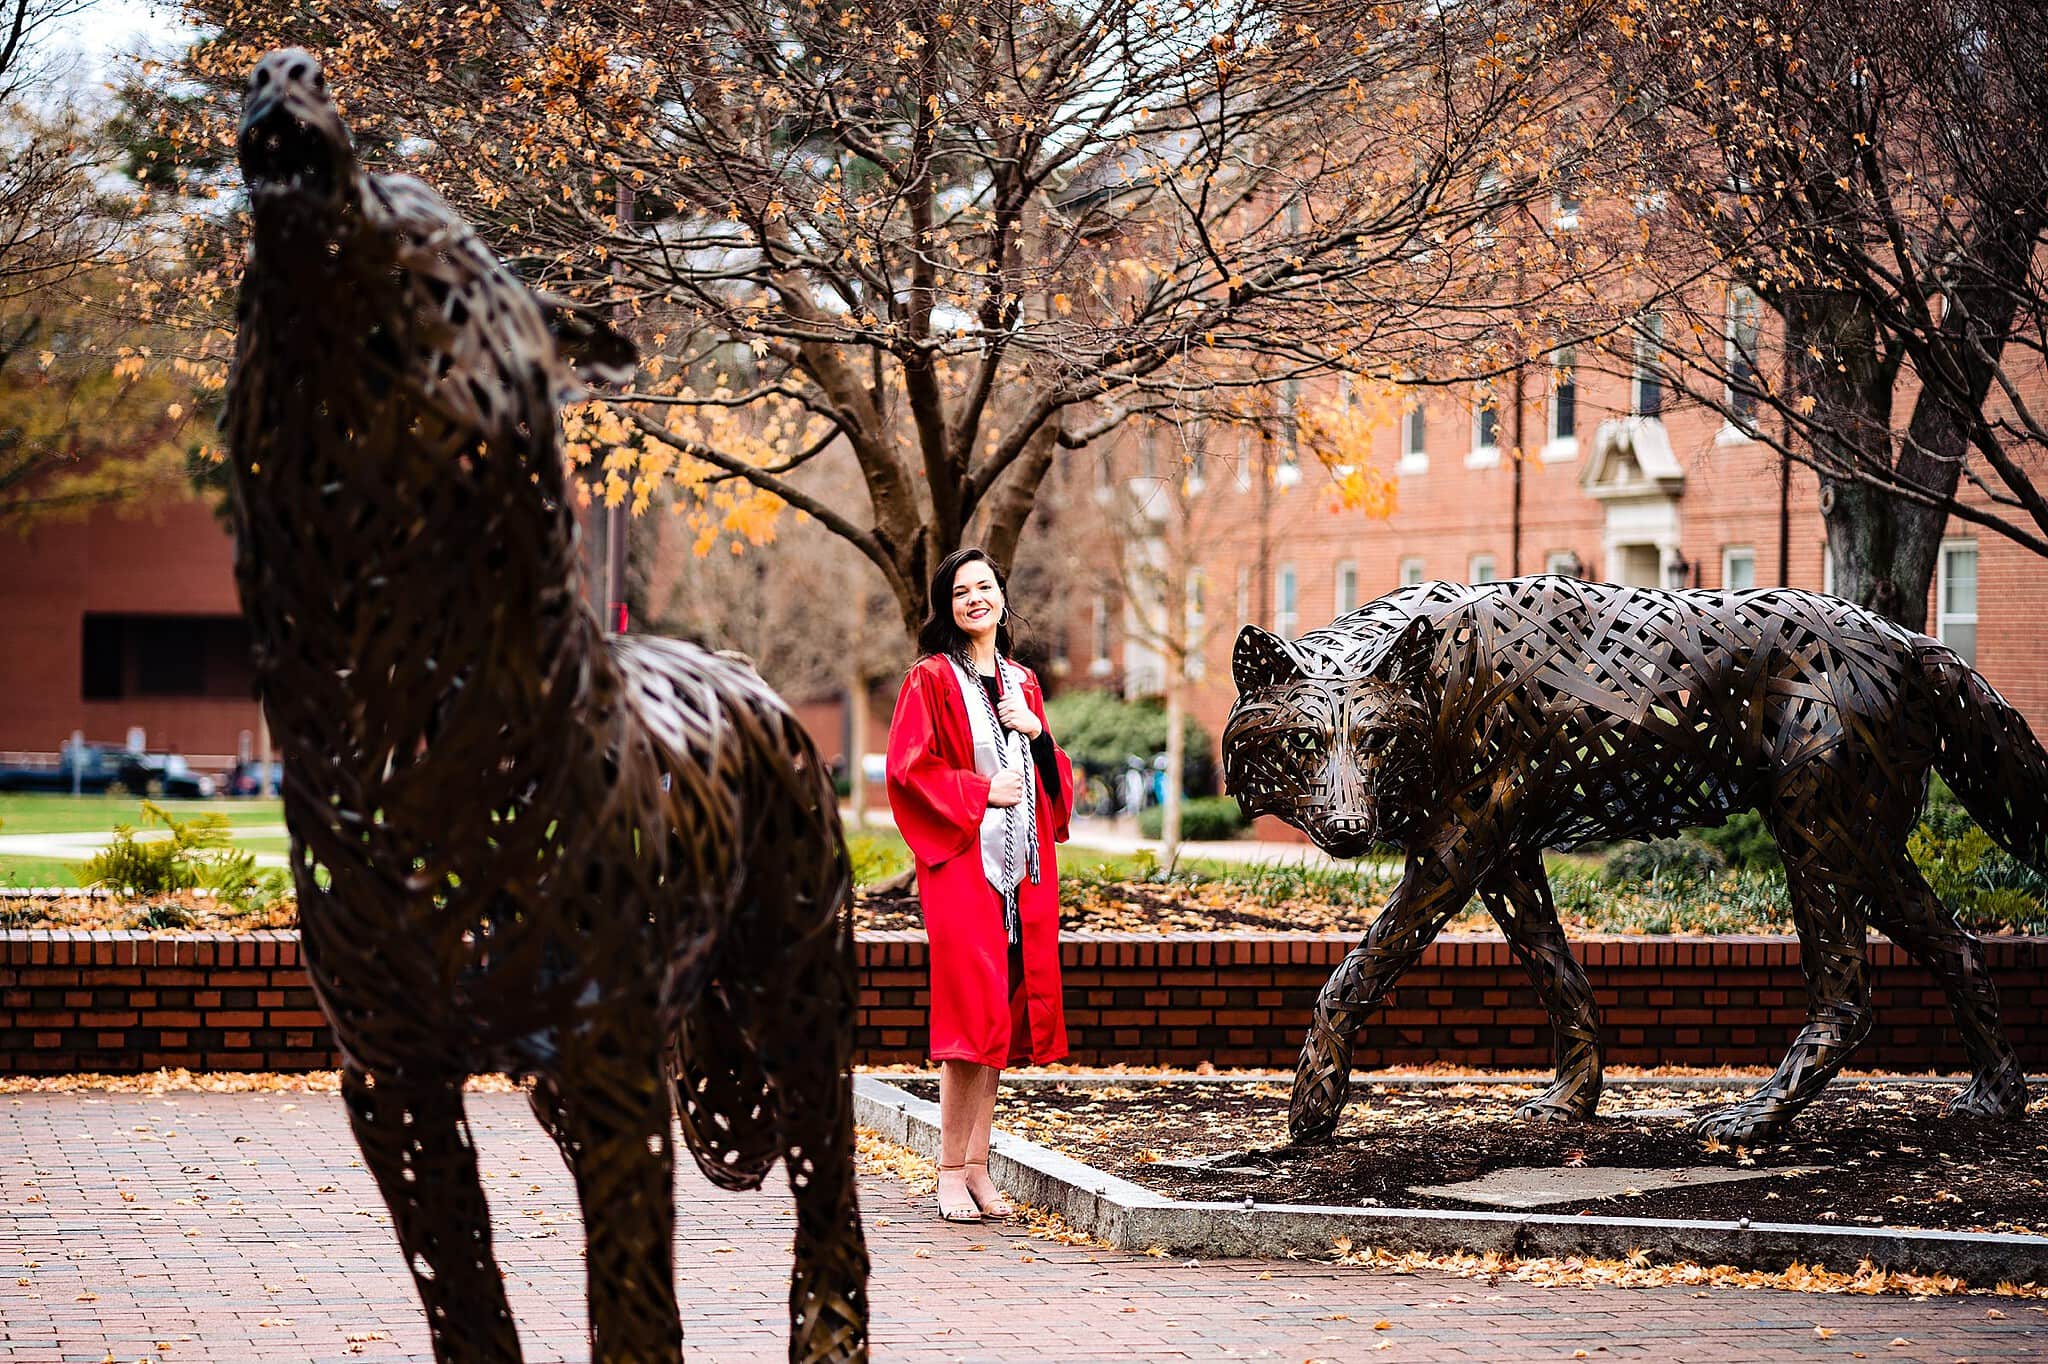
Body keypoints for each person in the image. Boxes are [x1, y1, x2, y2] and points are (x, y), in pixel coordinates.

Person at [886, 548, 1073, 1223]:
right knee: (968, 1018)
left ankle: (977, 1168)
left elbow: (1053, 786)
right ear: (948, 605)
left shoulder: (1023, 681)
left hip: (1020, 877)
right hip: (965, 869)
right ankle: (946, 1172)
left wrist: (1040, 738)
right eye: (961, 591)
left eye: (985, 587)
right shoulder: (931, 679)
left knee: (997, 1020)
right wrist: (980, 791)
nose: (975, 599)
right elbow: (909, 768)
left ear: (1000, 597)